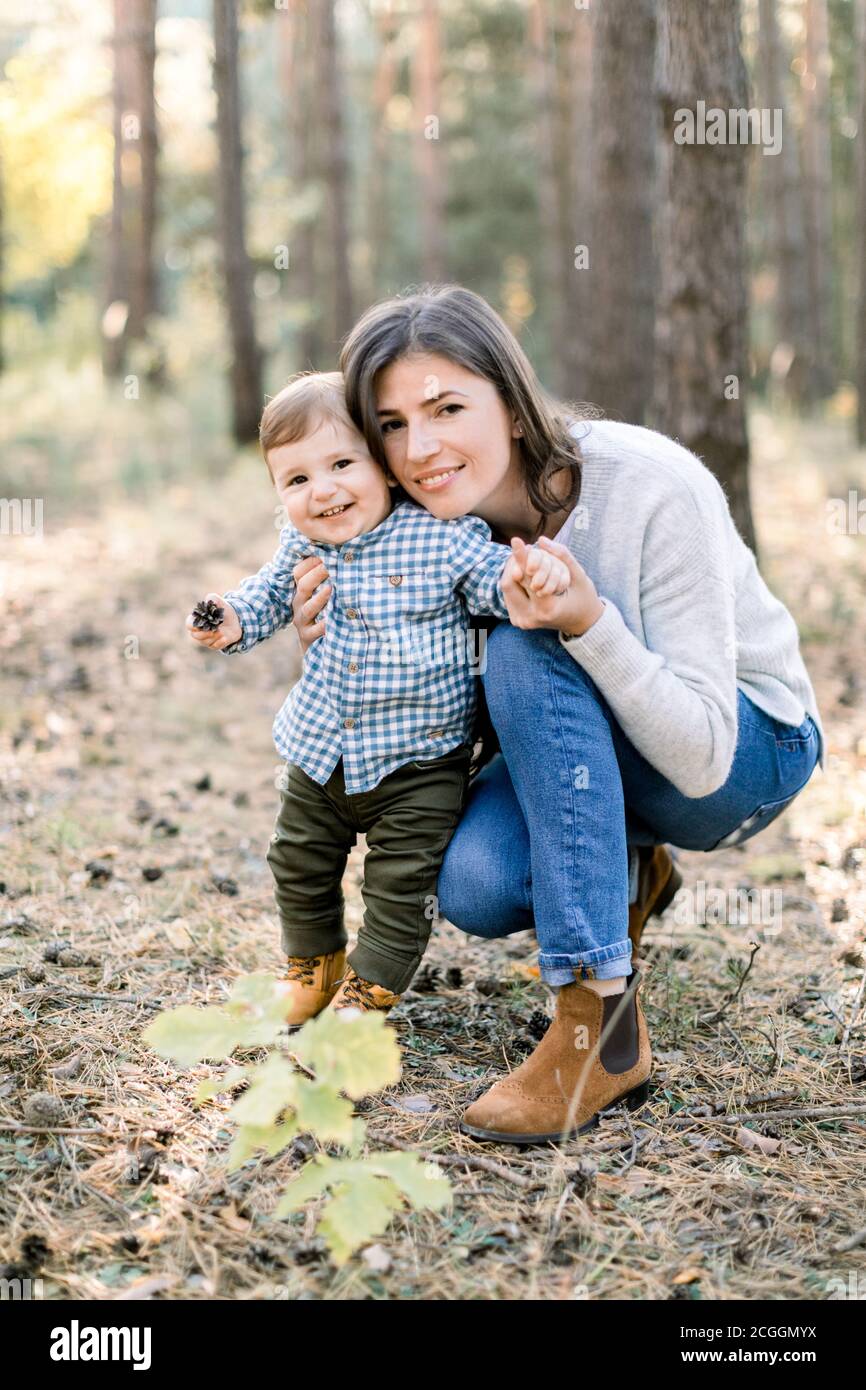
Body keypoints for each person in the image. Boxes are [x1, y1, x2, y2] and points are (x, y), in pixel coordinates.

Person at [290, 284, 825, 1146]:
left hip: (747, 754)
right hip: (598, 760)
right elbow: (451, 734)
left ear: (511, 399)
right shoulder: (416, 539)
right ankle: (625, 876)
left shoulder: (649, 484)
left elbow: (703, 758)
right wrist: (336, 647)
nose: (422, 448)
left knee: (525, 642)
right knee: (476, 884)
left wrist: (587, 624)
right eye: (390, 425)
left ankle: (597, 1029)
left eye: (448, 407)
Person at [184, 370, 571, 1025]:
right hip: (321, 750)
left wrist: (536, 575)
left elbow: (496, 583)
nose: (323, 489)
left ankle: (368, 991)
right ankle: (311, 965)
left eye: (341, 463)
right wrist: (231, 616)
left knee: (399, 887)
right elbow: (271, 594)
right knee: (297, 860)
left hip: (418, 765)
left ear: (386, 469)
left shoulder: (443, 539)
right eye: (297, 479)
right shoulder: (302, 542)